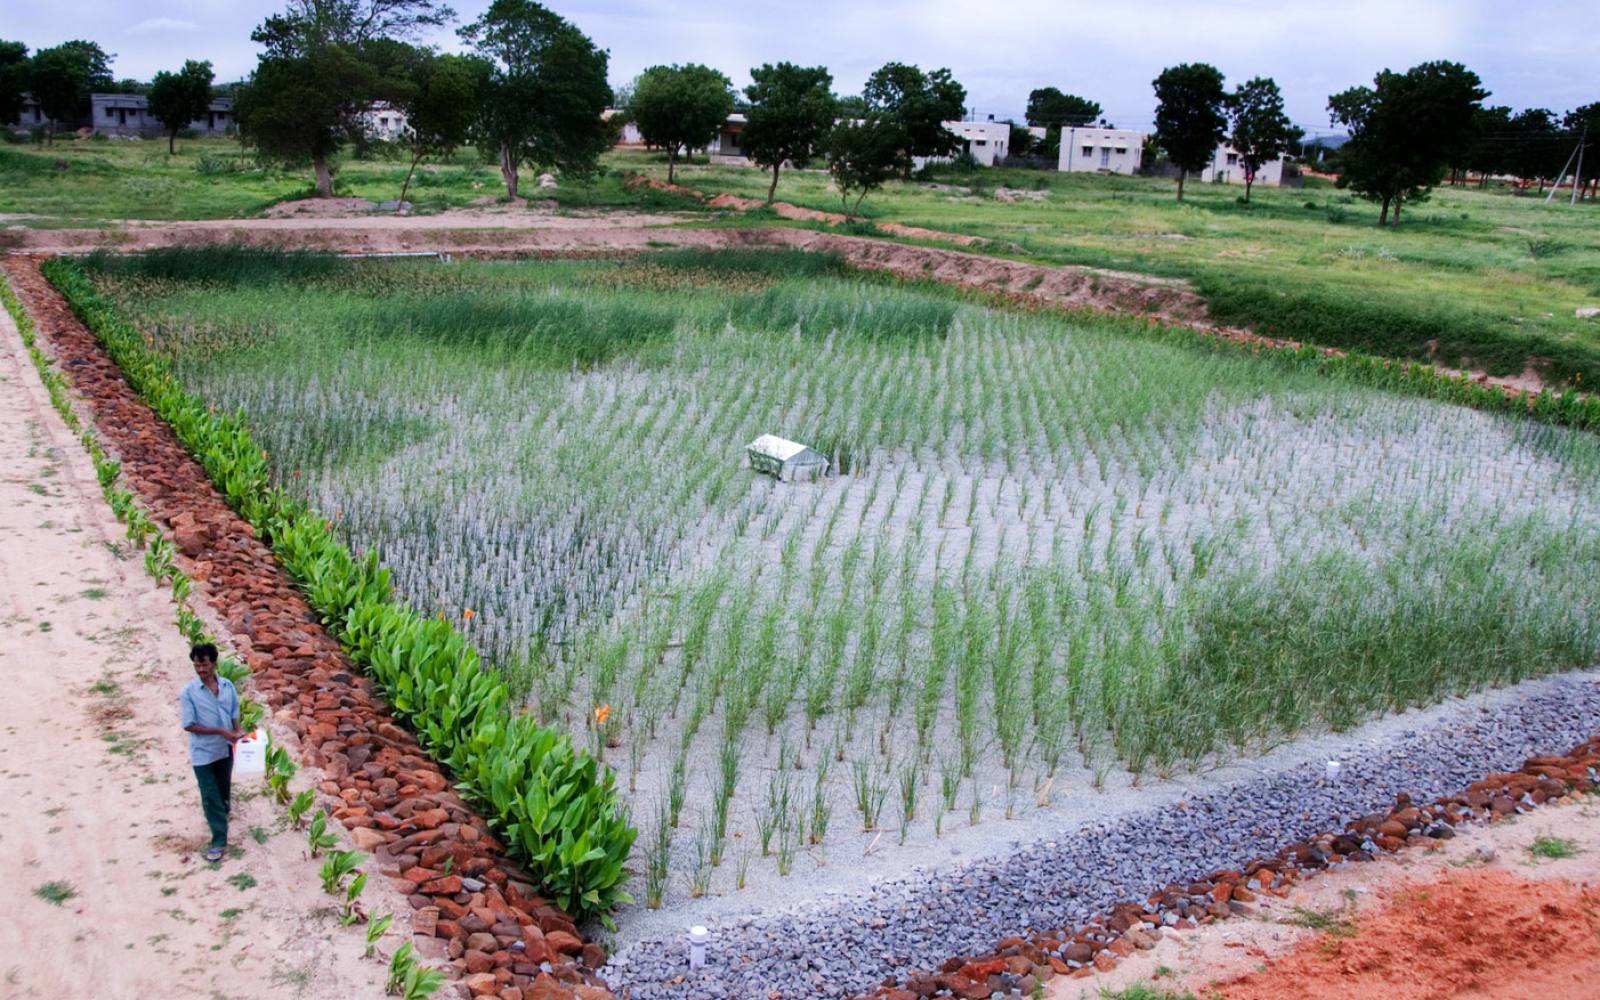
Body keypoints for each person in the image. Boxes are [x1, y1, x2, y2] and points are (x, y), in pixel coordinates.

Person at [180, 642, 242, 862]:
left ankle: (222, 812)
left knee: (223, 787)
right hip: (203, 752)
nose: (201, 670)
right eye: (197, 665)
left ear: (214, 663)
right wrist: (219, 731)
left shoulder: (227, 686)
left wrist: (236, 730)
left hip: (225, 749)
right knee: (209, 793)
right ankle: (218, 840)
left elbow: (234, 710)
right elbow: (188, 725)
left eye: (205, 665)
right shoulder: (188, 692)